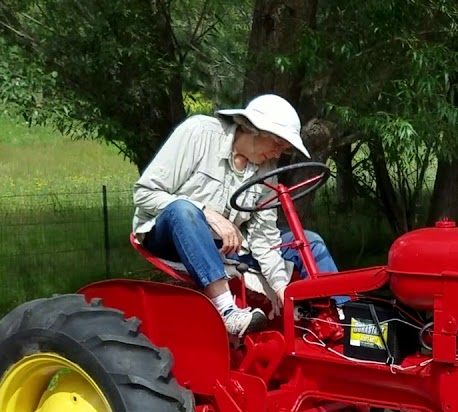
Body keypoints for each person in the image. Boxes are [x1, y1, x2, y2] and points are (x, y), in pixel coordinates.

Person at [131, 93, 342, 336]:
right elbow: (144, 193)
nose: (277, 154)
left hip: (226, 245)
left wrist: (281, 287)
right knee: (184, 210)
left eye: (284, 149)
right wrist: (206, 213)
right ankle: (227, 311)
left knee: (310, 242)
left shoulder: (266, 170)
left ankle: (342, 319)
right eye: (277, 144)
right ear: (253, 129)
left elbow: (264, 236)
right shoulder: (198, 133)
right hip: (168, 235)